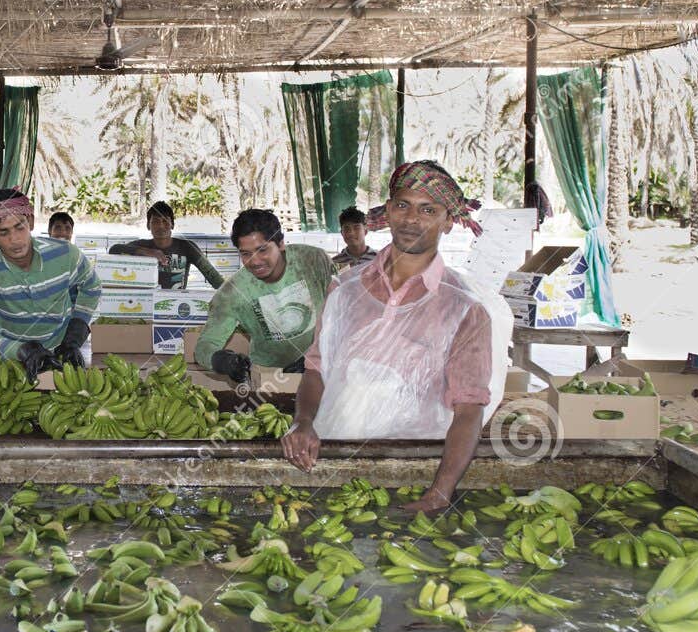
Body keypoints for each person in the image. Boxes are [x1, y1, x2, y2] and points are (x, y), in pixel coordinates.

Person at [282, 161, 512, 514]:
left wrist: (440, 492)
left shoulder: (464, 308)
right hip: (328, 462)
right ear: (387, 211)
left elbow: (469, 409)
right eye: (403, 205)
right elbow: (316, 371)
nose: (412, 219)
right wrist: (303, 422)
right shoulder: (345, 290)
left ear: (449, 220)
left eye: (428, 209)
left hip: (412, 472)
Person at [0, 187, 101, 379]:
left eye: (20, 227)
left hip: (61, 353)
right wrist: (24, 351)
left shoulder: (66, 254)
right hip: (12, 362)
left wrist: (75, 335)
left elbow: (92, 286)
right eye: (3, 232)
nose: (15, 240)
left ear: (30, 221)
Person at [195, 208, 334, 385]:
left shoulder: (313, 260)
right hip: (268, 376)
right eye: (245, 253)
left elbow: (342, 312)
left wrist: (316, 354)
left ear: (281, 244)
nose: (255, 261)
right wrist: (223, 361)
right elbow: (204, 346)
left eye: (262, 250)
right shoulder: (232, 293)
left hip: (324, 362)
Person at [107, 200, 224, 290]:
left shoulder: (187, 247)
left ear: (172, 224)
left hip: (177, 309)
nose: (161, 226)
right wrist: (147, 252)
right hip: (147, 308)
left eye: (165, 221)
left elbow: (215, 279)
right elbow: (114, 250)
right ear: (148, 226)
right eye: (156, 222)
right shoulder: (141, 245)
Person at [332, 206, 376, 272]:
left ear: (365, 231)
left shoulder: (379, 259)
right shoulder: (336, 262)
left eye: (356, 227)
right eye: (347, 228)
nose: (351, 233)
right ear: (342, 233)